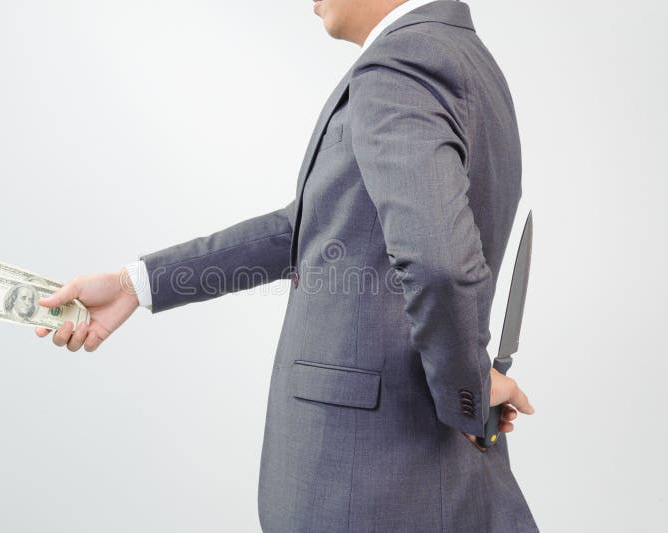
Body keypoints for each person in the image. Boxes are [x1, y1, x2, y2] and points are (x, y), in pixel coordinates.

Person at [36, 1, 539, 530]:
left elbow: (439, 262)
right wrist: (135, 285)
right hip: (406, 472)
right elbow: (307, 227)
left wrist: (467, 385)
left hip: (366, 476)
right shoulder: (463, 58)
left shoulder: (406, 63)